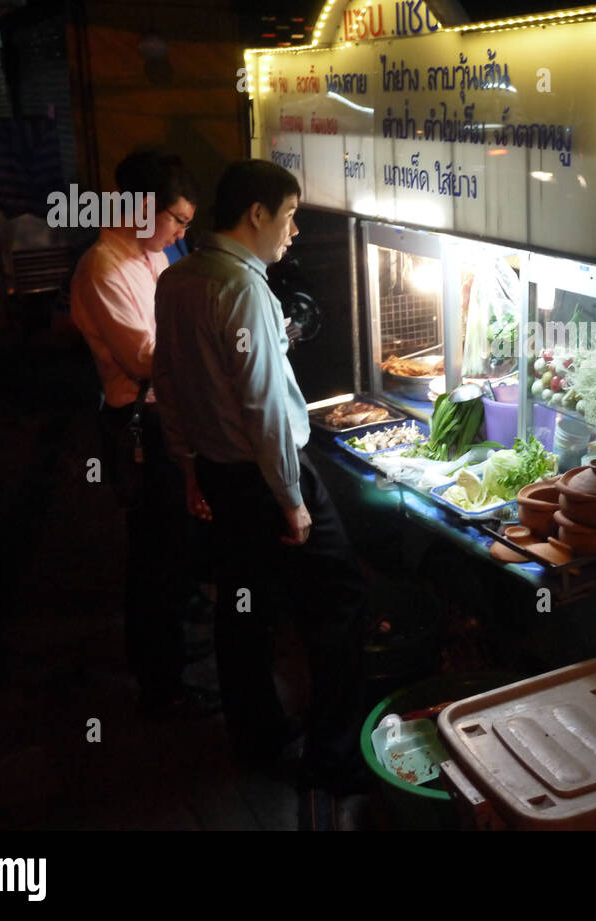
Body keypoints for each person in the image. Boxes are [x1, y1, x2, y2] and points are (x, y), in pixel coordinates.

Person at [153, 159, 367, 791]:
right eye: (291, 214)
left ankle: (258, 735)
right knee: (340, 601)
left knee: (244, 609)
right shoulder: (243, 289)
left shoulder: (180, 278)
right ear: (257, 214)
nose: (294, 231)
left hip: (219, 475)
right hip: (266, 478)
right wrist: (292, 499)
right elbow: (266, 410)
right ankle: (334, 757)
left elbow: (168, 384)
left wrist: (188, 467)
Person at [69, 149, 217, 719]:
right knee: (155, 555)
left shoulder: (150, 252)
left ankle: (172, 649)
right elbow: (146, 356)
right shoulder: (104, 265)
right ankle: (161, 685)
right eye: (177, 219)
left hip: (166, 417)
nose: (182, 231)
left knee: (173, 548)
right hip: (138, 424)